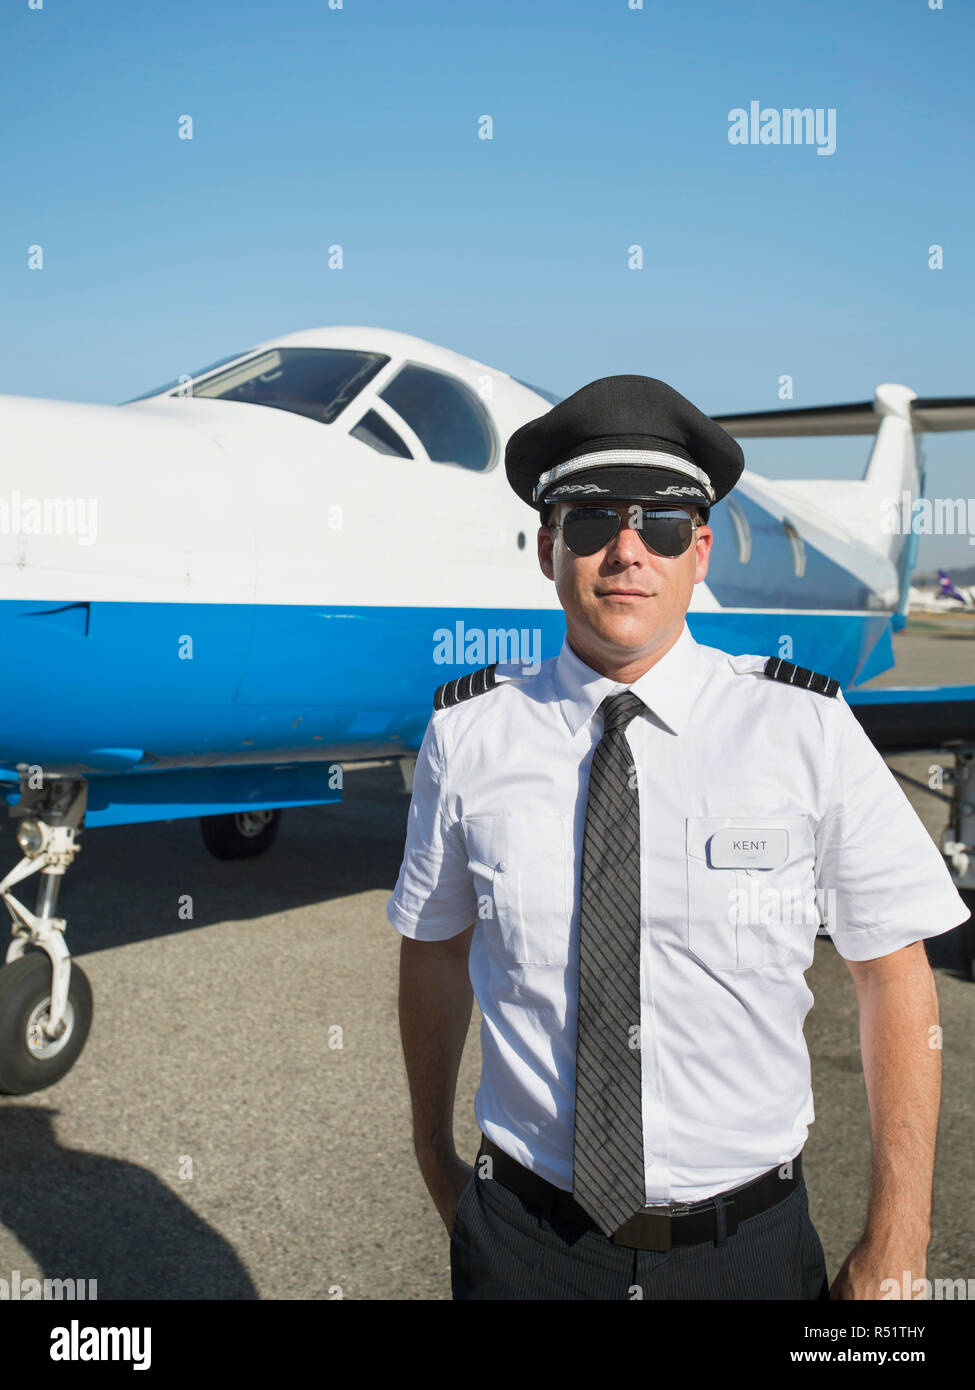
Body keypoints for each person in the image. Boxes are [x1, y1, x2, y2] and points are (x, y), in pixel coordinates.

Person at [388, 374, 970, 1301]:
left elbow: (892, 974)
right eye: (590, 522)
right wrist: (432, 1157)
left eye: (660, 525)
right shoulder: (468, 735)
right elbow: (434, 946)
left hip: (747, 1252)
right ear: (547, 549)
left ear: (698, 552)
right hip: (523, 1243)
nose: (627, 551)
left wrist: (898, 1238)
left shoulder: (803, 727)